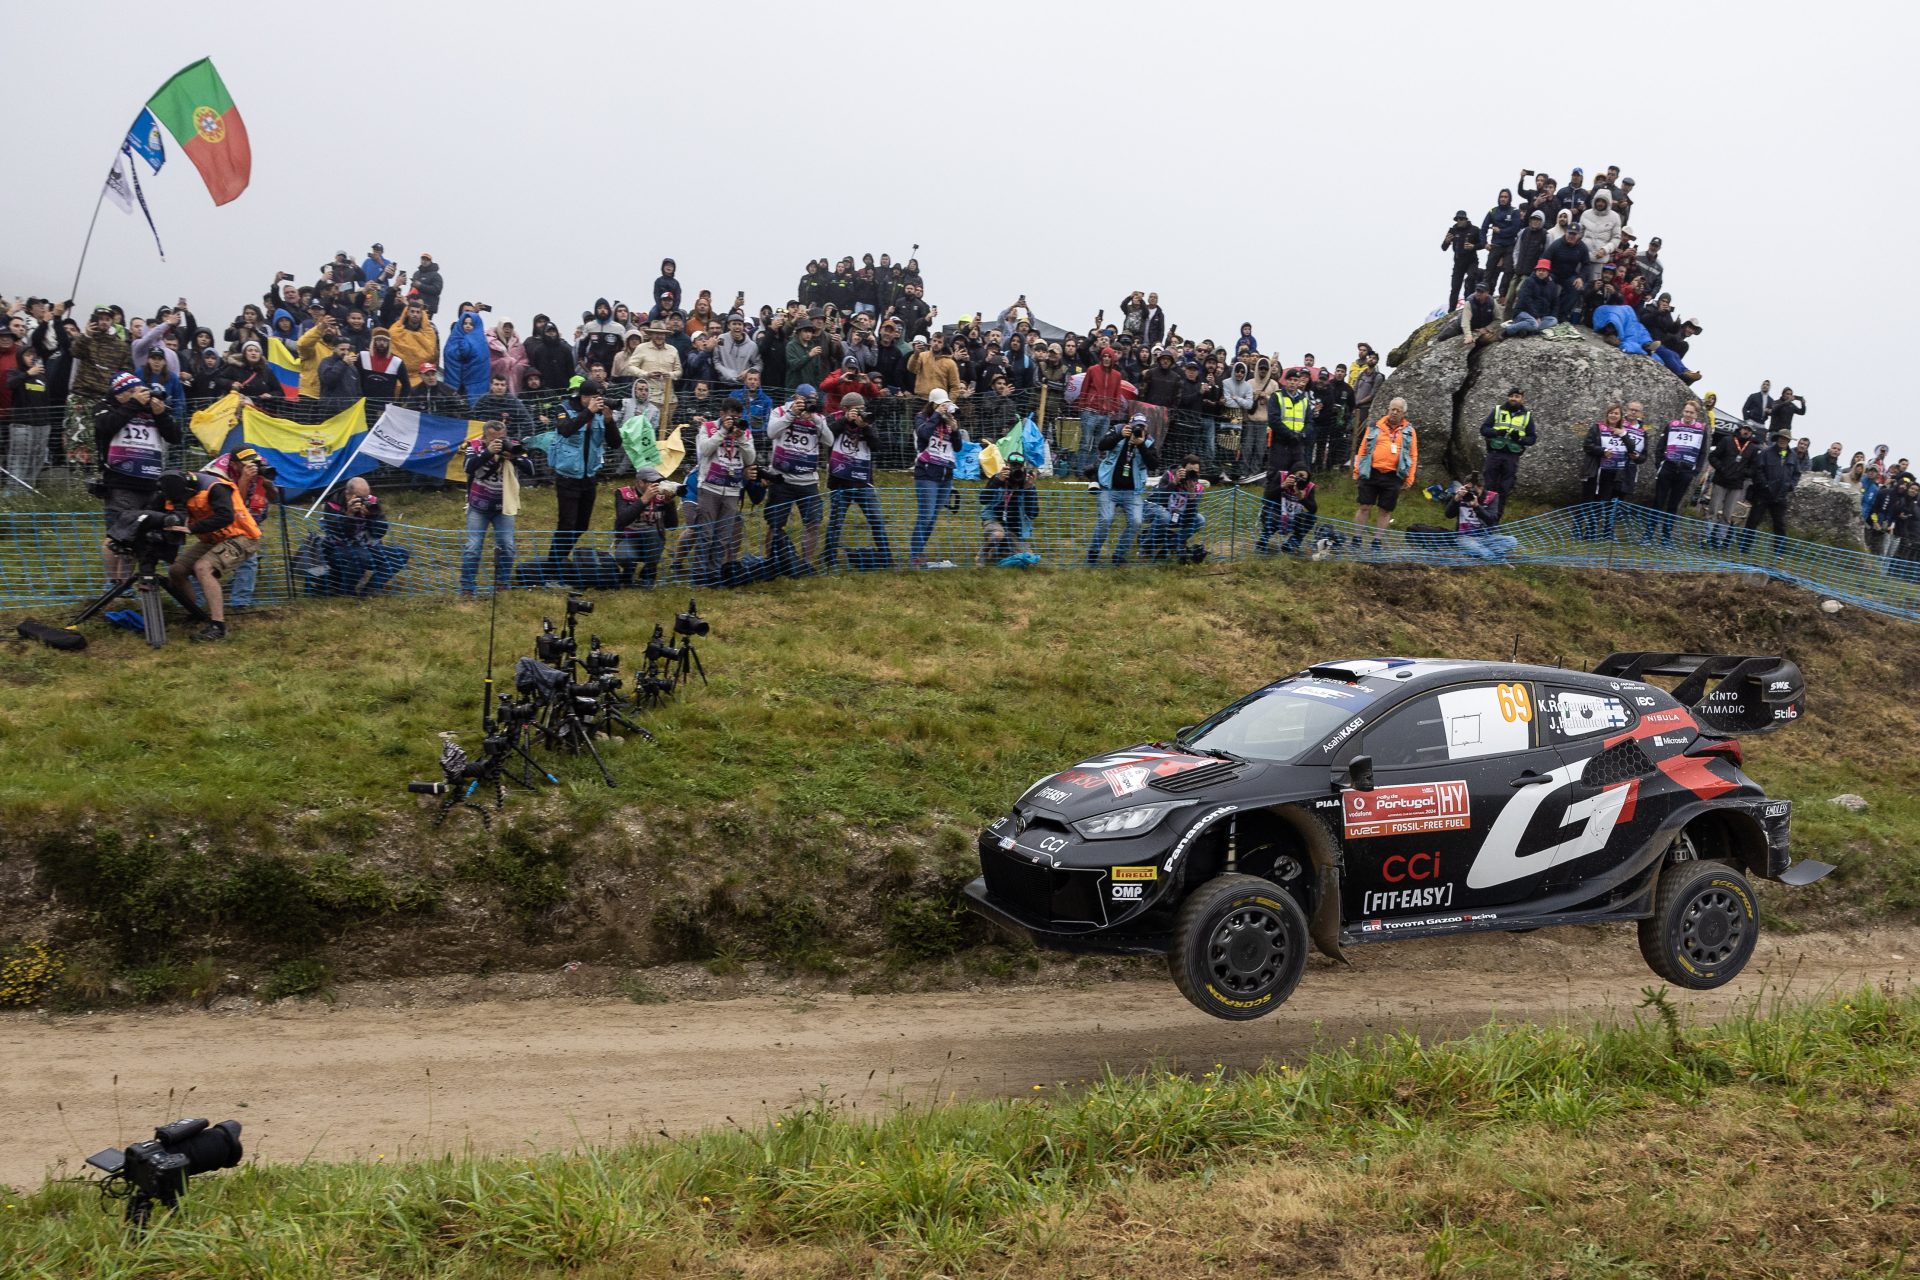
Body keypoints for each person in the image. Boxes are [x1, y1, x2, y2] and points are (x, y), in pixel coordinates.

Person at [170, 447, 266, 641]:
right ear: (234, 464)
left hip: (243, 535)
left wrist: (192, 528)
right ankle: (196, 612)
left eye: (253, 462)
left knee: (202, 567)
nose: (252, 466)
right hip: (216, 536)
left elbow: (225, 515)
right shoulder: (210, 477)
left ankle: (218, 626)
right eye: (247, 462)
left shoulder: (215, 485)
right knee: (176, 571)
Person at [93, 373, 182, 580]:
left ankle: (124, 585)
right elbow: (106, 425)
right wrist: (133, 404)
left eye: (140, 391)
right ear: (120, 394)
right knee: (116, 536)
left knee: (136, 536)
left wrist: (161, 415)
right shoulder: (105, 407)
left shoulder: (149, 409)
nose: (139, 395)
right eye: (132, 392)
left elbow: (175, 437)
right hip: (120, 481)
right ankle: (112, 585)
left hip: (150, 482)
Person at [541, 377, 619, 581]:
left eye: (599, 397)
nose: (598, 401)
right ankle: (553, 568)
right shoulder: (565, 408)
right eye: (593, 397)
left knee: (582, 525)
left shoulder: (601, 412)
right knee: (566, 525)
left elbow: (616, 443)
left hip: (589, 476)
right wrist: (589, 412)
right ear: (583, 397)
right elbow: (565, 430)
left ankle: (559, 558)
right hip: (568, 476)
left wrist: (609, 422)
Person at [459, 418, 532, 596]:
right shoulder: (474, 446)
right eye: (493, 438)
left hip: (503, 507)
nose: (498, 441)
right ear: (485, 437)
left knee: (507, 546)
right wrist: (487, 453)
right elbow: (468, 467)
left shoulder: (513, 445)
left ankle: (502, 584)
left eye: (501, 437)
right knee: (473, 548)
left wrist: (514, 458)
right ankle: (467, 587)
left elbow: (531, 469)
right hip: (478, 506)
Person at [822, 392, 894, 569]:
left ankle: (886, 556)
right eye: (857, 409)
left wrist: (865, 428)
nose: (861, 412)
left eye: (863, 408)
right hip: (840, 478)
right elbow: (826, 438)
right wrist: (845, 421)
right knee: (836, 521)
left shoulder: (868, 421)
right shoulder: (833, 419)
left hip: (863, 480)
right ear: (846, 408)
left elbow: (878, 446)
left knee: (876, 519)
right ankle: (829, 557)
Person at [691, 397, 757, 585]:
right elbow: (704, 450)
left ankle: (714, 574)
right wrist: (722, 432)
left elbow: (751, 458)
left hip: (732, 489)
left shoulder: (744, 431)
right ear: (722, 414)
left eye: (737, 417)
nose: (734, 420)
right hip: (710, 486)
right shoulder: (709, 427)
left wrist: (741, 437)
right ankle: (699, 574)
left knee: (722, 536)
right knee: (705, 533)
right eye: (731, 417)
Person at [764, 385, 832, 569]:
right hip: (782, 478)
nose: (811, 403)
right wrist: (791, 415)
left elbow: (829, 440)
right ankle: (770, 561)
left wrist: (817, 420)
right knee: (775, 523)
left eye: (814, 399)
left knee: (813, 523)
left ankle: (806, 562)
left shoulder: (817, 416)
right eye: (807, 399)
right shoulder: (780, 411)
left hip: (808, 480)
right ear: (796, 398)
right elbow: (771, 432)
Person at [1087, 411, 1160, 566]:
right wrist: (1119, 436)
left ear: (1146, 428)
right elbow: (1102, 445)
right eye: (1135, 427)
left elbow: (1154, 465)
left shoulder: (1148, 441)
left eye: (1142, 427)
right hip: (1109, 488)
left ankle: (1119, 555)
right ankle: (1093, 552)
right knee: (1106, 519)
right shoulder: (1118, 430)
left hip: (1132, 492)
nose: (1137, 430)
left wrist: (1141, 446)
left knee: (1136, 522)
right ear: (1129, 425)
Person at [320, 477, 411, 596]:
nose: (364, 500)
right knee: (362, 556)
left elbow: (379, 533)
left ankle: (372, 588)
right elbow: (337, 532)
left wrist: (372, 516)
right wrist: (349, 515)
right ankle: (345, 590)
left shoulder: (371, 503)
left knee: (401, 553)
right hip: (338, 550)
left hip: (366, 547)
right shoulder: (333, 504)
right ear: (348, 494)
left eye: (366, 497)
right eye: (360, 498)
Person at [1351, 398, 1418, 554]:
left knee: (1385, 510)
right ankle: (1357, 537)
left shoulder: (1409, 431)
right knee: (1364, 506)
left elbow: (1413, 455)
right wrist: (1357, 470)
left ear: (1404, 413)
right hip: (1371, 472)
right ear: (1388, 409)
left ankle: (1377, 540)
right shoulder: (1375, 426)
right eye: (1392, 409)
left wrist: (1410, 478)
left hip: (1394, 475)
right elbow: (1362, 449)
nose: (1394, 412)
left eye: (1398, 410)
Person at [909, 389, 963, 569]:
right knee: (925, 516)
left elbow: (957, 447)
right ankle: (914, 556)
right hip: (927, 471)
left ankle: (919, 552)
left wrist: (954, 429)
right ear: (932, 404)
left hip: (946, 472)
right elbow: (923, 435)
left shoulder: (947, 421)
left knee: (933, 518)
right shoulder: (921, 418)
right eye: (940, 405)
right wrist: (936, 416)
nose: (943, 407)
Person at [1646, 400, 1709, 545]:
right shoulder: (1672, 425)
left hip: (1686, 471)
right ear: (1683, 411)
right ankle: (1648, 534)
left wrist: (1695, 471)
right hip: (1668, 467)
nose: (1688, 414)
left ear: (1696, 414)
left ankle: (1665, 537)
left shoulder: (1701, 429)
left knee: (1673, 505)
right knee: (1658, 502)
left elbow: (1703, 452)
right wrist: (1660, 464)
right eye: (1686, 411)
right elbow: (1660, 447)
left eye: (1691, 412)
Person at [1578, 405, 1639, 540]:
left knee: (1601, 503)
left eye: (1616, 413)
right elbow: (1587, 446)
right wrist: (1603, 451)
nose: (1613, 415)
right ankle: (1576, 529)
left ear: (1620, 416)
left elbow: (1631, 448)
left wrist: (1623, 434)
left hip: (1612, 473)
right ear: (1607, 415)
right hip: (1595, 471)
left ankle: (1590, 532)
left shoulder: (1623, 431)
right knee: (1587, 501)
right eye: (1611, 413)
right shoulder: (1597, 428)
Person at [612, 466, 678, 589]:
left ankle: (649, 574)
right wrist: (644, 500)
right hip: (628, 538)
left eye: (658, 482)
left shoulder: (661, 498)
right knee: (625, 557)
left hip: (653, 542)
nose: (656, 485)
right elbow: (622, 520)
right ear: (640, 483)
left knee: (652, 531)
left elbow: (672, 526)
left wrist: (669, 503)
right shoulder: (623, 494)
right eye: (652, 483)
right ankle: (628, 573)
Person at [1739, 426, 1799, 557]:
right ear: (1777, 438)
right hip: (1763, 494)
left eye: (1786, 439)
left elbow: (1797, 474)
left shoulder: (1793, 456)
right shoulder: (1766, 453)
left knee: (1780, 524)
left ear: (1789, 441)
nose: (1783, 440)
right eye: (1781, 438)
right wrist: (1764, 485)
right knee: (1753, 521)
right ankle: (1744, 547)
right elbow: (1758, 470)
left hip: (1781, 496)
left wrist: (1791, 486)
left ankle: (1779, 552)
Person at [977, 451, 1040, 565]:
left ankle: (1000, 549)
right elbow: (983, 499)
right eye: (1012, 465)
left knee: (1030, 561)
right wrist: (997, 481)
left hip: (1014, 529)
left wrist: (1029, 489)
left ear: (1023, 468)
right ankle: (983, 553)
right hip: (994, 521)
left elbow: (1032, 513)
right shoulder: (998, 478)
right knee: (997, 535)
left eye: (1019, 466)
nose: (1015, 469)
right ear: (1007, 465)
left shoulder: (1027, 483)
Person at [1704, 420, 1758, 551]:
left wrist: (1742, 473)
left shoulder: (1753, 448)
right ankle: (1705, 537)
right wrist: (1722, 468)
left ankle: (1719, 540)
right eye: (1745, 429)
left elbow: (1753, 469)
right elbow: (1712, 456)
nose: (1746, 432)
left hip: (1736, 485)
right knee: (1713, 511)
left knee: (1728, 515)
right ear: (1740, 429)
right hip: (1720, 481)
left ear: (1752, 433)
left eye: (1749, 430)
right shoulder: (1727, 441)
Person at [1076, 345, 1128, 472]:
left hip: (1106, 415)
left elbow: (1117, 394)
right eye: (1104, 356)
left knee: (1098, 445)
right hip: (1090, 412)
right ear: (1101, 357)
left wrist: (1113, 409)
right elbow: (1084, 389)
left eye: (1109, 356)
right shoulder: (1092, 370)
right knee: (1085, 443)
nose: (1106, 359)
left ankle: (1090, 470)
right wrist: (1082, 407)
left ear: (1112, 359)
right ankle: (1080, 471)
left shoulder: (1117, 375)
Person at [1478, 387, 1537, 500]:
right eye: (1511, 396)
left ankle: (1496, 515)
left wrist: (1519, 439)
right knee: (1489, 484)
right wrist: (1496, 432)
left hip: (1512, 456)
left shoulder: (1527, 416)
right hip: (1494, 453)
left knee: (1505, 487)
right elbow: (1483, 429)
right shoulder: (1498, 410)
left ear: (1522, 399)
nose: (1513, 399)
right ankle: (1484, 512)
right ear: (1508, 397)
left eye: (1517, 396)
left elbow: (1532, 439)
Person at [1447, 478, 1517, 560]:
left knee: (1511, 541)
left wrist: (1477, 507)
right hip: (1465, 537)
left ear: (1481, 487)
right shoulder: (1461, 495)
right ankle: (1495, 558)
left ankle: (1481, 553)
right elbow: (1448, 515)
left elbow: (1492, 520)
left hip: (1486, 537)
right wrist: (1456, 499)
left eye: (1475, 491)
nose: (1472, 494)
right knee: (1476, 548)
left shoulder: (1491, 496)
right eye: (1469, 490)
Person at [1255, 467, 1317, 554]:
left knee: (1311, 518)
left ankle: (1291, 544)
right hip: (1274, 513)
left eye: (1303, 478)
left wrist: (1303, 499)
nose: (1299, 480)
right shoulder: (1281, 476)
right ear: (1292, 473)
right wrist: (1282, 486)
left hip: (1294, 518)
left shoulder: (1309, 487)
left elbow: (1313, 509)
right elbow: (1266, 498)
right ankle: (1262, 541)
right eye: (1298, 476)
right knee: (1272, 516)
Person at [1265, 368, 1315, 475]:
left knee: (1297, 476)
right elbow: (1273, 420)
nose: (1292, 382)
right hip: (1280, 442)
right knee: (1277, 476)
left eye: (1295, 380)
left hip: (1298, 444)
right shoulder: (1277, 396)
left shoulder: (1304, 400)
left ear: (1299, 382)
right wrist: (1290, 434)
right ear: (1285, 381)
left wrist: (1303, 434)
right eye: (1290, 379)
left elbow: (1310, 422)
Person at [1480, 189, 1524, 299]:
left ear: (1509, 199)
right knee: (1489, 271)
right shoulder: (1493, 211)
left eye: (1505, 197)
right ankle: (1485, 294)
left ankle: (1503, 295)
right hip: (1496, 246)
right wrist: (1484, 243)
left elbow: (1515, 229)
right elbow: (1483, 228)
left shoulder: (1514, 211)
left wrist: (1501, 231)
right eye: (1501, 197)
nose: (1503, 199)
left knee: (1509, 271)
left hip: (1509, 246)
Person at [1502, 260, 1561, 337]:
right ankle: (1507, 331)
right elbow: (1525, 300)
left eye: (1543, 270)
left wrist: (1553, 315)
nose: (1541, 272)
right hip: (1523, 313)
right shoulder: (1529, 281)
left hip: (1540, 316)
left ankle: (1526, 329)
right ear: (1536, 271)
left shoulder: (1552, 285)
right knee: (1533, 323)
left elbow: (1555, 303)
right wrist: (1535, 316)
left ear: (1548, 272)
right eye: (1539, 270)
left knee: (1554, 320)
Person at [1441, 209, 1482, 310]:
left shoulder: (1474, 230)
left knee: (1471, 278)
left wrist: (1473, 246)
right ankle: (1451, 311)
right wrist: (1446, 241)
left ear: (1466, 219)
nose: (1459, 221)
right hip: (1458, 262)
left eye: (1462, 219)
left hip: (1471, 260)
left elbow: (1483, 244)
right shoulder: (1453, 230)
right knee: (1455, 288)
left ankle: (1470, 305)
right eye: (1457, 219)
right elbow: (1443, 248)